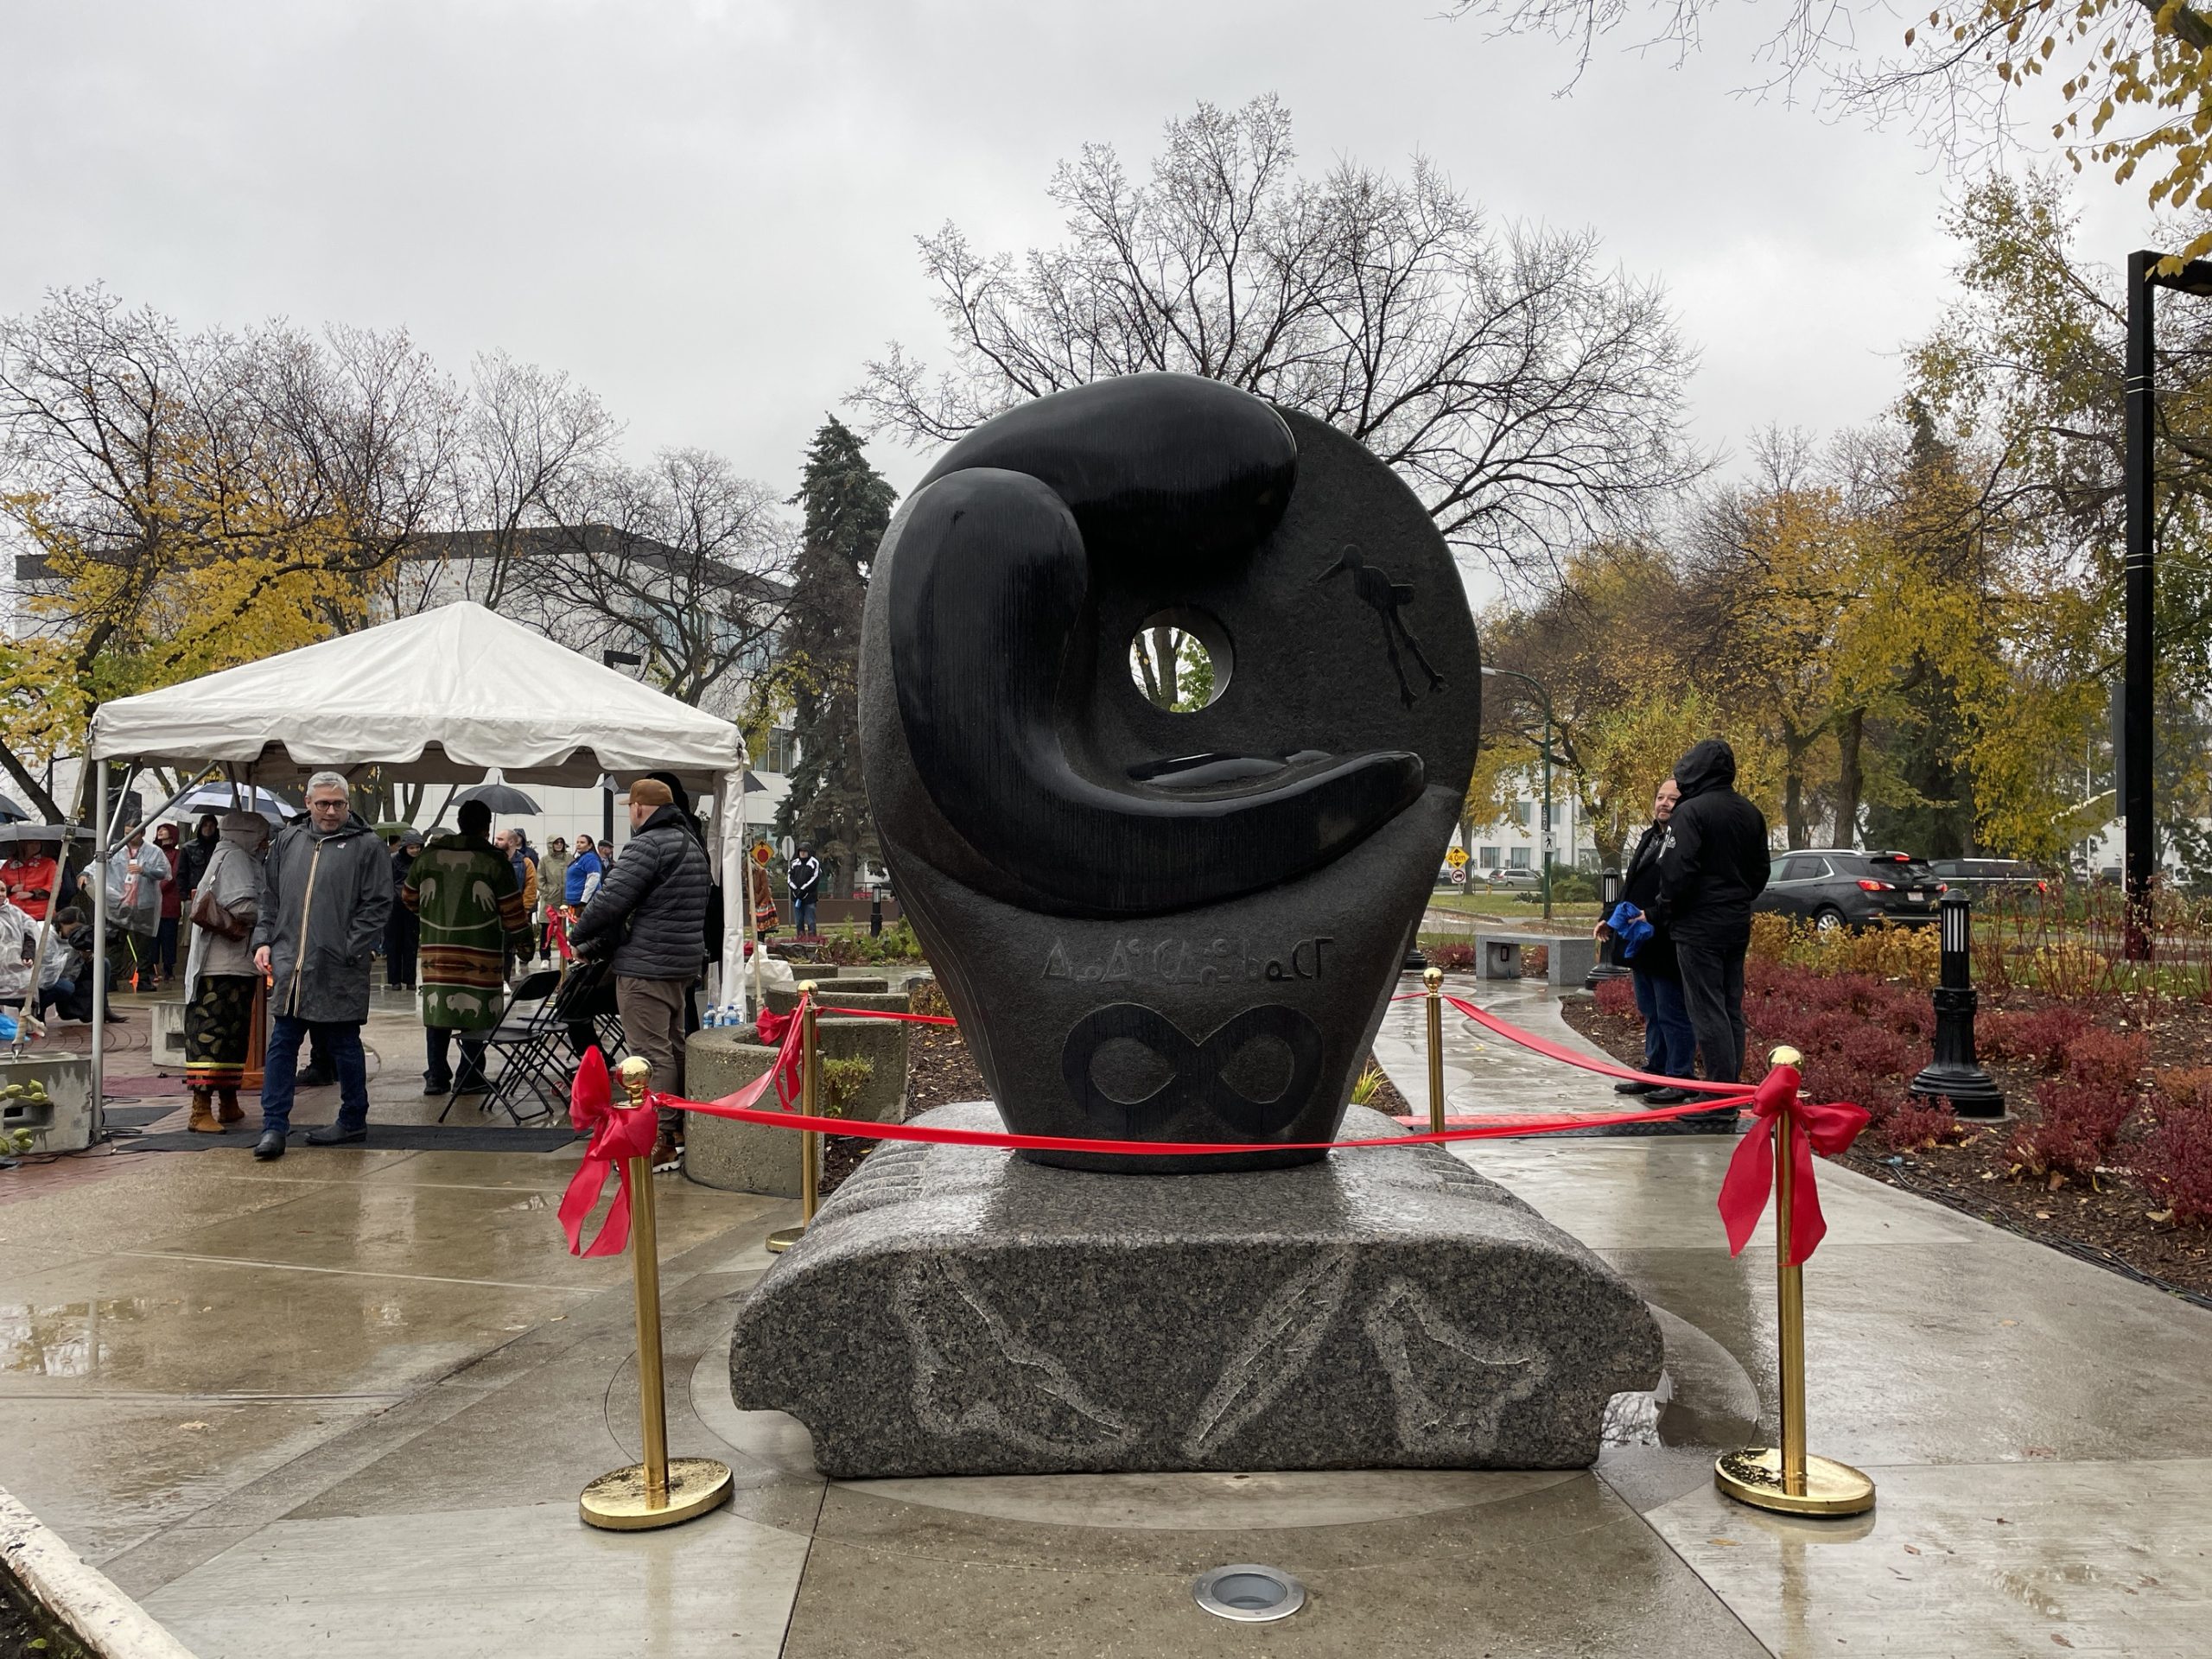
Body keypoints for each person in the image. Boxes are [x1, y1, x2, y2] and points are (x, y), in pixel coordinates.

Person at [570, 779, 712, 1173]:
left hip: (645, 968)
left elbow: (612, 900)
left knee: (650, 1054)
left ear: (637, 808)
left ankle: (660, 1140)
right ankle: (681, 1129)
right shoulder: (691, 846)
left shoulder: (647, 845)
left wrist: (579, 935)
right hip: (678, 964)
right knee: (672, 1046)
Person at [250, 772, 392, 1160]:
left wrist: (349, 947)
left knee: (344, 1044)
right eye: (323, 803)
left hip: (338, 964)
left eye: (339, 804)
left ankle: (353, 1117)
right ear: (308, 802)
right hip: (290, 963)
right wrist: (264, 940)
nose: (331, 811)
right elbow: (270, 897)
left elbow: (378, 904)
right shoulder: (288, 840)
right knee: (282, 1045)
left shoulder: (367, 846)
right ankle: (274, 1126)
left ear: (348, 804)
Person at [1655, 739, 1771, 1122]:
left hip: (1698, 925)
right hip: (1736, 922)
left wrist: (1669, 909)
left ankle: (1717, 1101)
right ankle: (1730, 1093)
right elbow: (1760, 873)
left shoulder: (1691, 813)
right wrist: (1737, 899)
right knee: (1729, 1008)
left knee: (1706, 1010)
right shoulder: (1751, 813)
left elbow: (1676, 871)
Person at [407, 801, 530, 1096]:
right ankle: (470, 1075)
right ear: (486, 827)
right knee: (477, 1011)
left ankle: (436, 1076)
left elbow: (409, 898)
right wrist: (526, 945)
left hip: (438, 951)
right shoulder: (494, 860)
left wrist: (434, 918)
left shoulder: (429, 856)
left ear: (459, 822)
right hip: (481, 951)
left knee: (438, 1009)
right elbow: (513, 910)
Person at [1598, 779, 1697, 1104]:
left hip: (1667, 939)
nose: (1664, 803)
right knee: (1651, 1010)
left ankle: (1680, 1077)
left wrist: (1652, 915)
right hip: (1641, 941)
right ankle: (1654, 1073)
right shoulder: (1650, 836)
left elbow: (1682, 891)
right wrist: (1610, 916)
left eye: (1672, 799)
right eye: (1660, 797)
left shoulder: (1684, 839)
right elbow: (1631, 886)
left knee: (1672, 1012)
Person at [181, 811, 268, 1134]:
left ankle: (228, 1100)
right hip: (220, 964)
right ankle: (200, 1108)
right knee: (212, 1032)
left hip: (234, 962)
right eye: (260, 835)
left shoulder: (236, 856)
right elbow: (243, 905)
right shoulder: (235, 859)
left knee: (233, 1034)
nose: (264, 842)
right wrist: (273, 911)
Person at [385, 828, 423, 991]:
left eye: (417, 847)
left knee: (411, 943)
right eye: (411, 847)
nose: (415, 850)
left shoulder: (422, 862)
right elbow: (387, 881)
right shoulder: (393, 860)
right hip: (394, 907)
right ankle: (394, 980)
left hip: (413, 907)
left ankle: (410, 979)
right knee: (393, 944)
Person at [151, 823, 183, 990]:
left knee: (169, 936)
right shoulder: (153, 851)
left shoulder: (178, 854)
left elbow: (173, 875)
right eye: (159, 829)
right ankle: (153, 967)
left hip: (168, 901)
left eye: (164, 829)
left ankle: (168, 968)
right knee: (153, 937)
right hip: (152, 901)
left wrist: (156, 888)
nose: (160, 831)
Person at [0, 838, 59, 922]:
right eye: (31, 843)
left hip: (41, 915)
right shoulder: (9, 864)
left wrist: (32, 894)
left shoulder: (49, 863)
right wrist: (10, 889)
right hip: (13, 915)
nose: (35, 846)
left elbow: (54, 886)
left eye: (37, 843)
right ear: (22, 844)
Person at [536, 836, 569, 962]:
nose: (559, 844)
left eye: (561, 842)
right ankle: (545, 956)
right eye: (556, 842)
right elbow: (539, 879)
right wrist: (548, 891)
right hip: (551, 899)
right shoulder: (545, 860)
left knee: (567, 928)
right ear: (551, 844)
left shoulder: (569, 858)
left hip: (566, 899)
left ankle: (568, 955)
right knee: (547, 927)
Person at [176, 813, 221, 902]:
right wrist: (184, 895)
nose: (208, 828)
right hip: (193, 893)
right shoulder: (188, 848)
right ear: (200, 827)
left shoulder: (220, 847)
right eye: (205, 825)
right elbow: (182, 873)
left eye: (211, 826)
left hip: (217, 893)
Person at [786, 843, 822, 938]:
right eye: (801, 851)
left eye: (805, 851)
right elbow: (789, 878)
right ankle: (800, 938)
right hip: (796, 897)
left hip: (809, 897)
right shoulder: (794, 863)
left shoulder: (814, 863)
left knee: (811, 920)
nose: (802, 853)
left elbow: (815, 879)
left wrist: (803, 890)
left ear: (809, 852)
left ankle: (812, 938)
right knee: (799, 921)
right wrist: (796, 890)